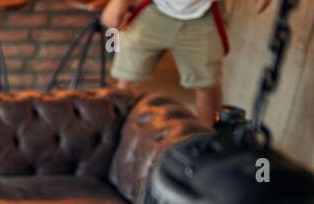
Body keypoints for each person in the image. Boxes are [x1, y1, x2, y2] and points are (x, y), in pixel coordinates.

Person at [102, 0, 271, 122]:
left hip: (204, 14)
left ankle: (207, 142)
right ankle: (113, 133)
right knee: (127, 81)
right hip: (153, 8)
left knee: (207, 84)